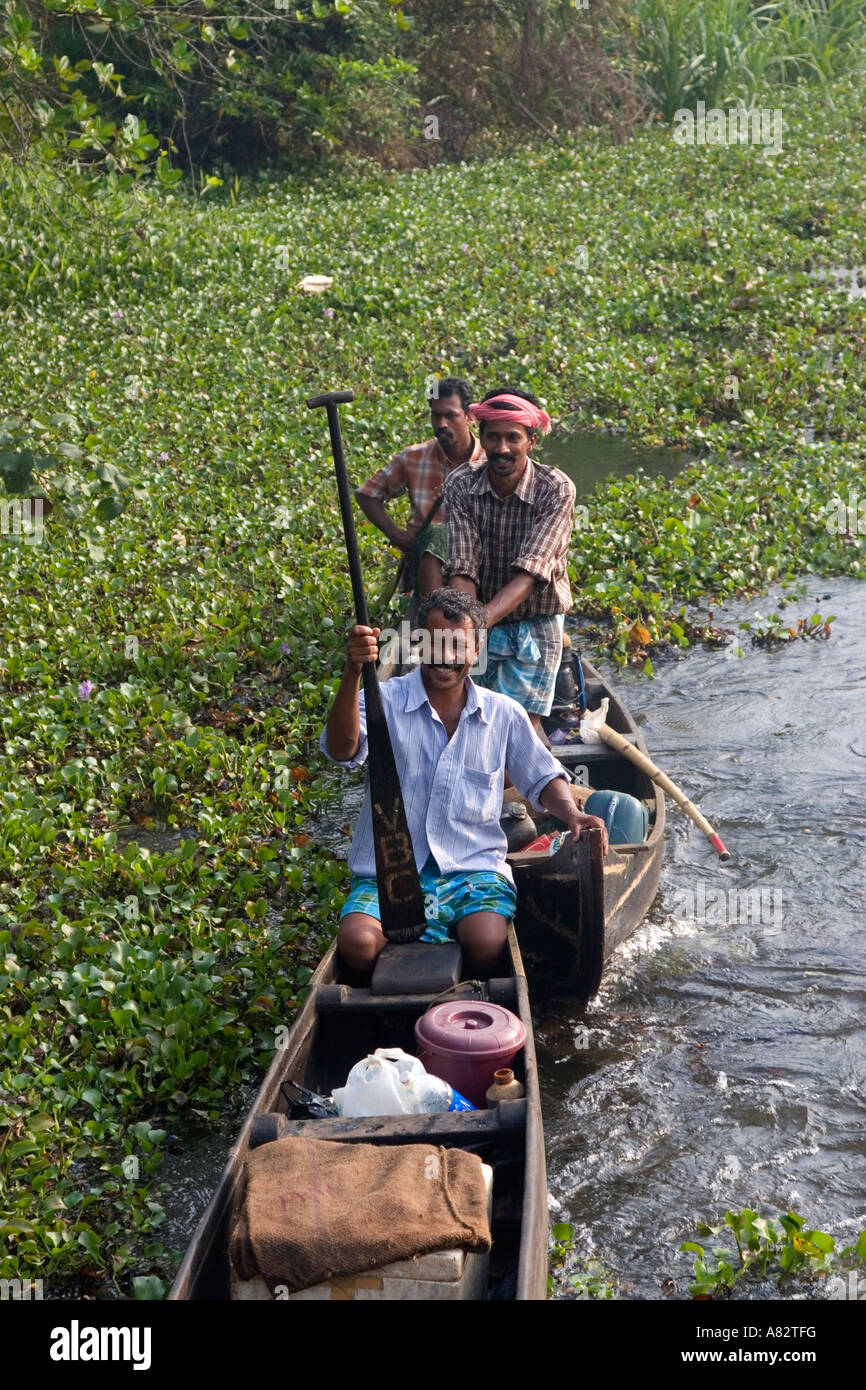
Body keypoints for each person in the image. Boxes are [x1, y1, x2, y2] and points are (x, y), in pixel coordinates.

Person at [320, 588, 608, 978]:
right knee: (357, 945)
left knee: (487, 941)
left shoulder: (503, 713)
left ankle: (467, 1001)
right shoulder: (384, 699)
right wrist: (353, 671)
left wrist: (573, 814)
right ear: (418, 643)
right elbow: (341, 749)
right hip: (389, 872)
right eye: (434, 642)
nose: (446, 658)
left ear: (476, 652)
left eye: (458, 645)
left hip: (472, 869)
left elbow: (541, 776)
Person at [443, 387, 576, 732]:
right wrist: (469, 628)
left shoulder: (555, 488)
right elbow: (462, 567)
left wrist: (474, 626)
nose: (502, 448)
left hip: (536, 620)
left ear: (531, 441)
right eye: (494, 437)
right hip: (480, 611)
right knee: (468, 721)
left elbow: (530, 573)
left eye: (513, 438)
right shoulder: (460, 483)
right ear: (482, 440)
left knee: (516, 729)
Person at [355, 378, 485, 597]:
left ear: (469, 416)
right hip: (426, 567)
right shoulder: (414, 457)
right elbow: (367, 494)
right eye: (436, 415)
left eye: (451, 415)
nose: (442, 423)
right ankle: (431, 613)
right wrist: (396, 535)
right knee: (434, 535)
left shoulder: (489, 460)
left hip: (477, 564)